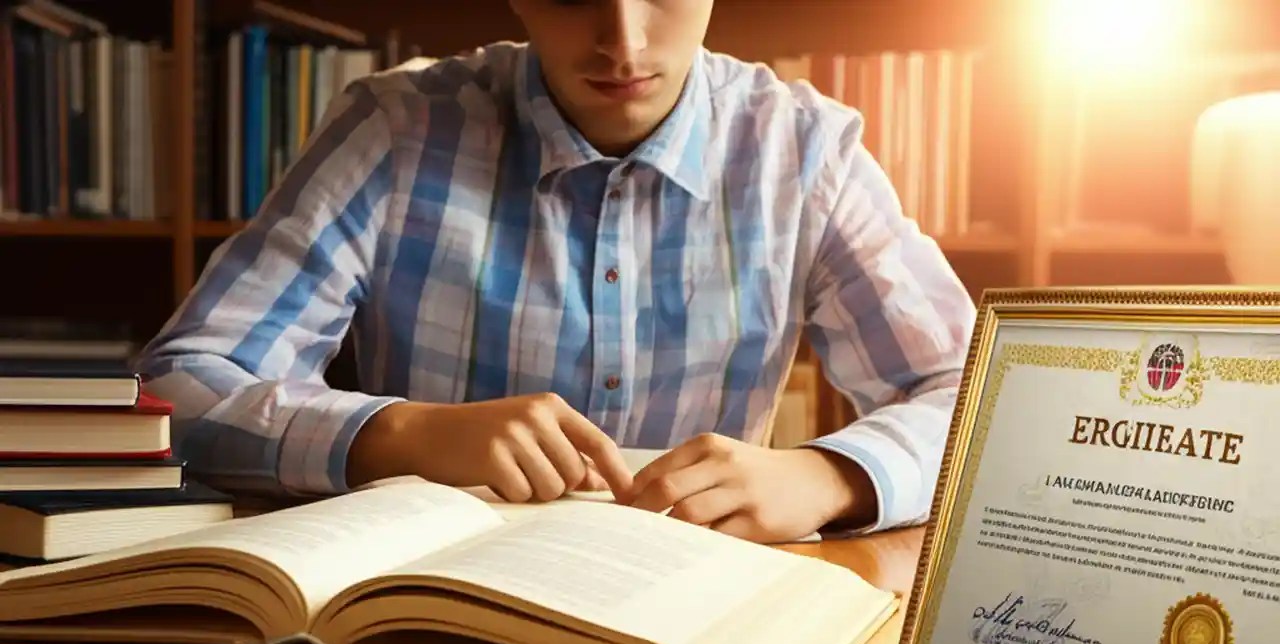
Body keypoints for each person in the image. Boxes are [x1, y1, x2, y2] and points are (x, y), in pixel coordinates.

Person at [134, 0, 976, 544]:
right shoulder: (396, 128)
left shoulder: (803, 152)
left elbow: (980, 400)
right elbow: (180, 387)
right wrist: (399, 436)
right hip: (427, 610)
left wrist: (830, 475)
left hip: (698, 604)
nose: (623, 41)